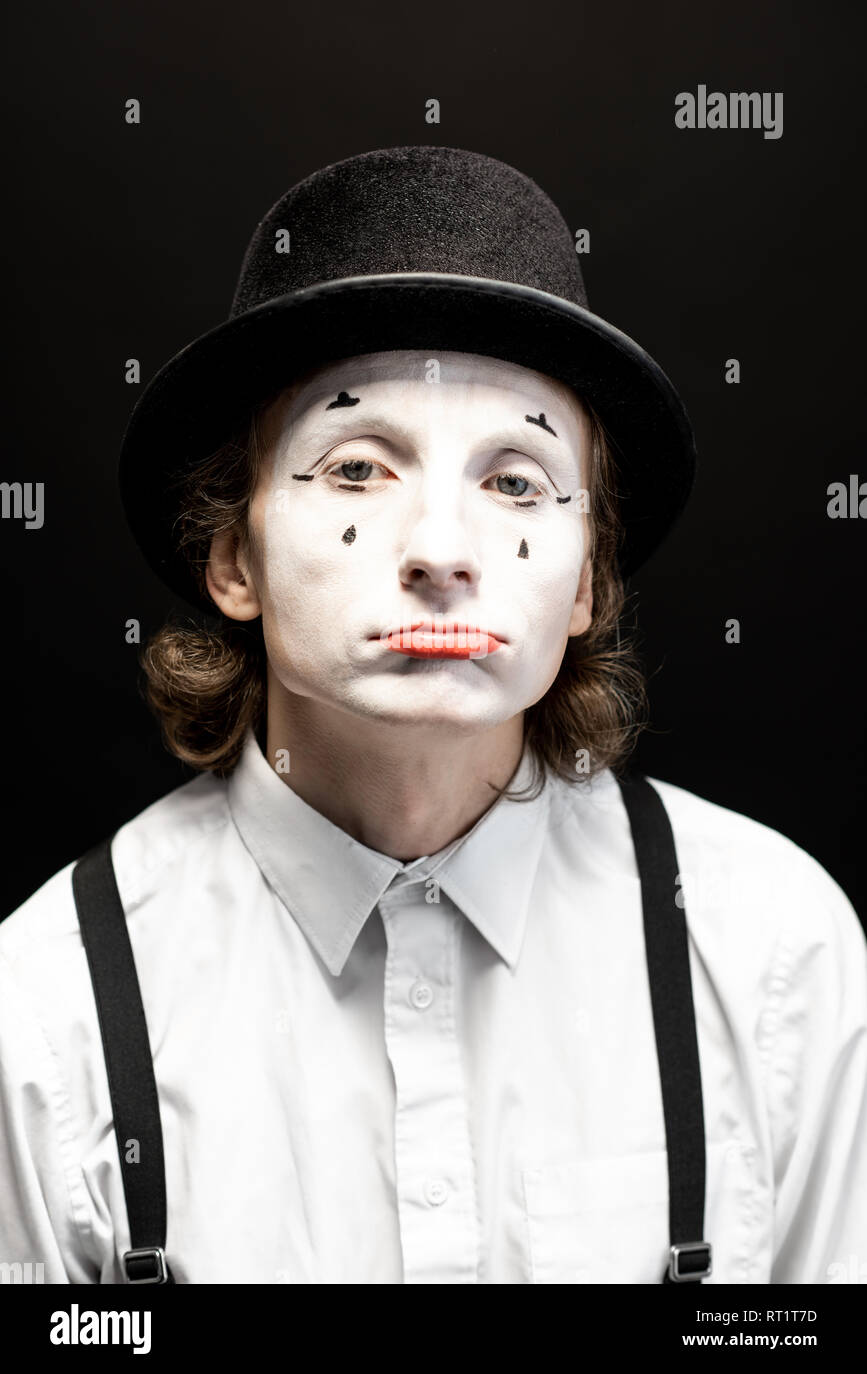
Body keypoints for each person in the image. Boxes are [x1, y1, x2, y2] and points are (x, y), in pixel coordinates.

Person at [1, 146, 865, 1286]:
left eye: (515, 480)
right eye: (359, 468)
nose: (443, 553)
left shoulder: (777, 956)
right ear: (233, 555)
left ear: (589, 583)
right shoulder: (46, 1007)